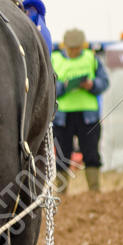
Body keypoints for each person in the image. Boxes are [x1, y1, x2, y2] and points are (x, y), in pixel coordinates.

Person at [50, 27, 110, 192]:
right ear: (65, 46)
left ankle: (94, 190)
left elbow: (104, 82)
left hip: (88, 117)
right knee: (62, 156)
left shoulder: (92, 58)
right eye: (72, 48)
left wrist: (91, 85)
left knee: (91, 154)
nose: (75, 51)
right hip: (62, 117)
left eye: (78, 48)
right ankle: (62, 194)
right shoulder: (54, 59)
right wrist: (64, 86)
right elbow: (48, 86)